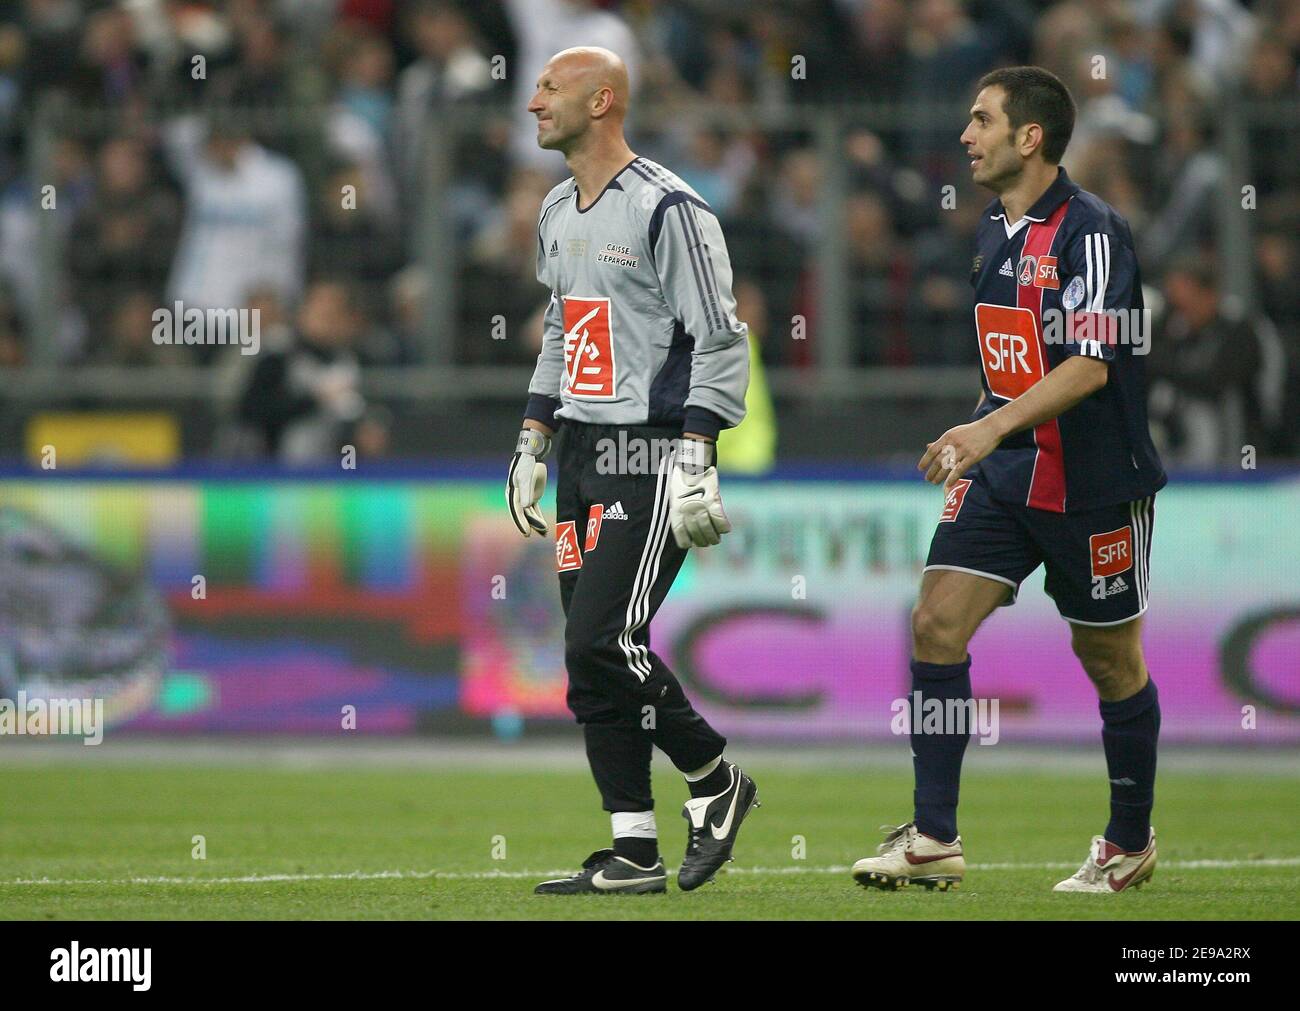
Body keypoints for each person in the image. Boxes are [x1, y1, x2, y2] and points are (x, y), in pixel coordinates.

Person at [850, 67, 1167, 894]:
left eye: (981, 119)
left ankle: (1129, 840)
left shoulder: (1091, 233)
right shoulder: (992, 227)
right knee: (934, 625)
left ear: (1030, 137)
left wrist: (989, 425)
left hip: (1092, 483)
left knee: (1110, 662)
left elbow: (1090, 365)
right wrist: (980, 432)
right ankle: (933, 836)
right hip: (1004, 473)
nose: (966, 134)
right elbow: (1015, 361)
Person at [506, 46, 756, 895]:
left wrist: (696, 450)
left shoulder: (667, 206)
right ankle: (633, 847)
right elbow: (560, 328)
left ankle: (717, 777)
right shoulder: (553, 209)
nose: (534, 99)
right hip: (580, 452)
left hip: (644, 451)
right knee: (590, 660)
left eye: (549, 87)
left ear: (602, 99)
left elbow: (720, 336)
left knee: (601, 637)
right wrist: (533, 438)